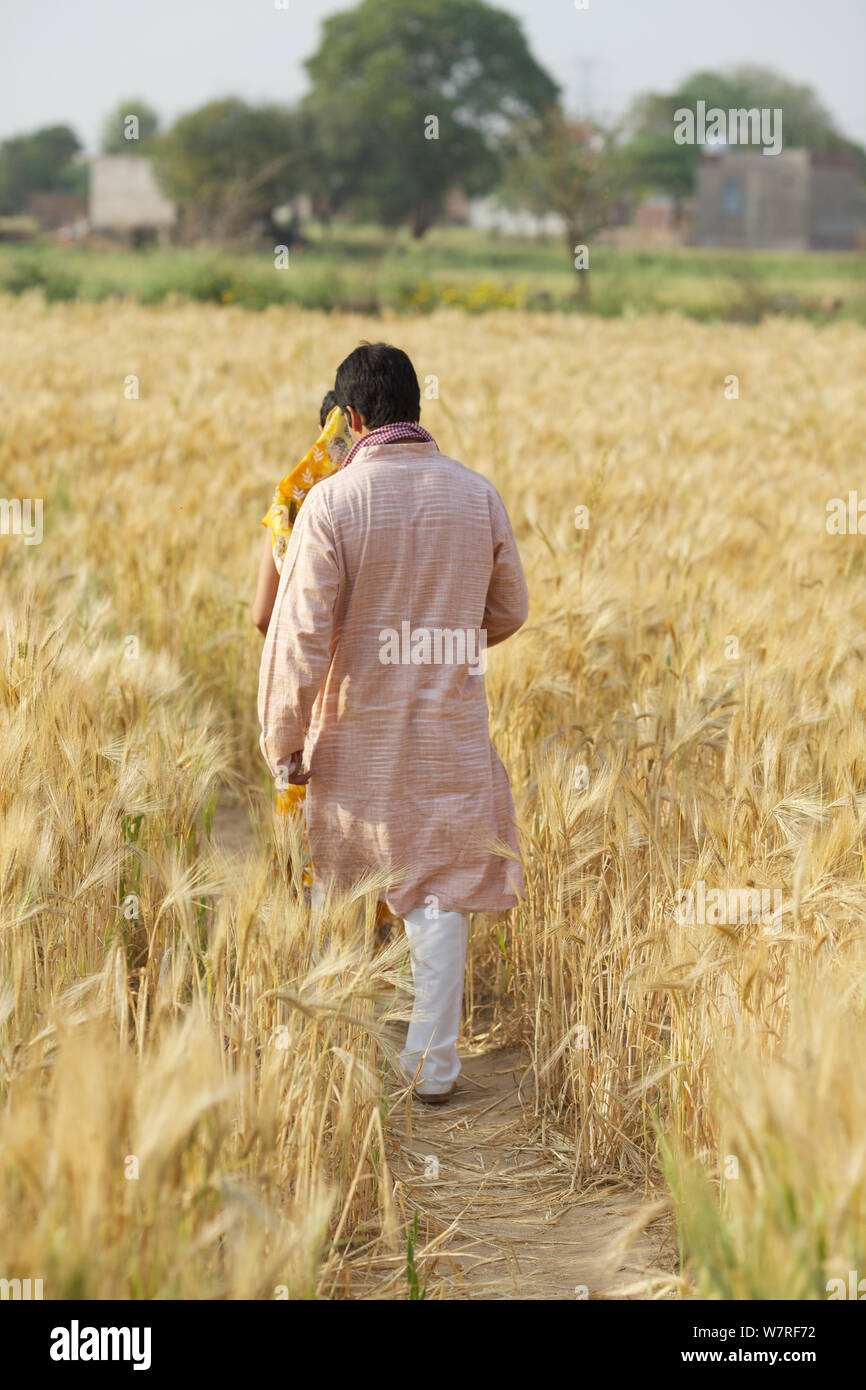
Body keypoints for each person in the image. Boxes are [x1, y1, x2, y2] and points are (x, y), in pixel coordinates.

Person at [257, 342, 528, 1103]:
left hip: (357, 738)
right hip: (451, 733)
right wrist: (441, 644)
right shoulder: (478, 495)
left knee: (346, 889)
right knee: (439, 892)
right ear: (415, 408)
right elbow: (510, 610)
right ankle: (433, 1067)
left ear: (349, 418)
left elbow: (300, 636)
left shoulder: (331, 505)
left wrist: (284, 740)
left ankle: (338, 1056)